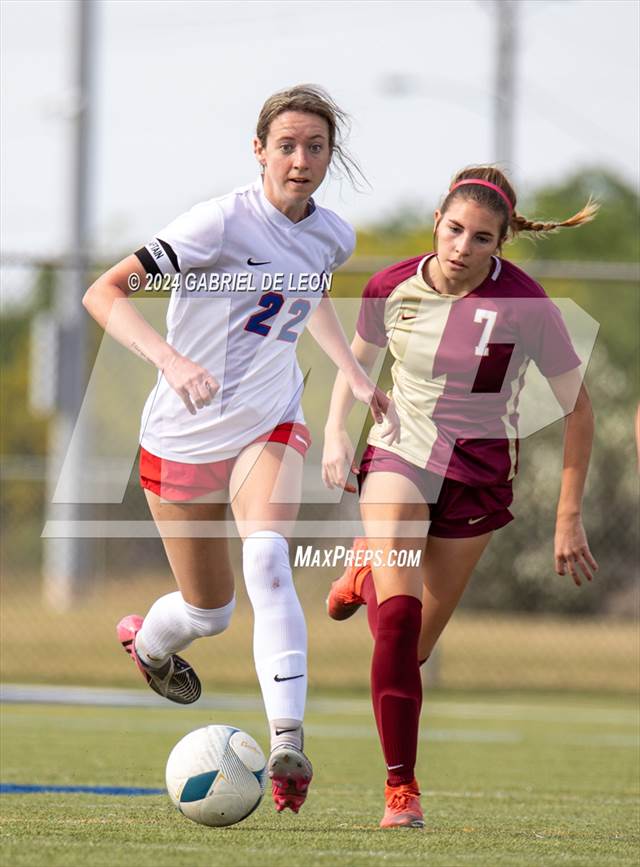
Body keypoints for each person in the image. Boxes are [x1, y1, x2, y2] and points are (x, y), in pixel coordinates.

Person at [82, 84, 397, 814]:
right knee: (210, 610)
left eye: (315, 146)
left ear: (330, 156)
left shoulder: (334, 233)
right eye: (285, 145)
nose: (300, 159)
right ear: (258, 151)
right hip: (183, 435)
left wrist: (351, 372)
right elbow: (105, 292)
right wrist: (171, 360)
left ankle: (288, 738)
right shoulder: (217, 223)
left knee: (267, 557)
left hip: (269, 420)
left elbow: (307, 288)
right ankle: (150, 646)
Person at [321, 165, 599, 829]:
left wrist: (568, 516)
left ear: (500, 244)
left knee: (409, 648)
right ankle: (401, 787)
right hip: (400, 452)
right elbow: (355, 364)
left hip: (479, 472)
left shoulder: (528, 306)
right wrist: (336, 432)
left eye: (481, 238)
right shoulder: (391, 284)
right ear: (437, 225)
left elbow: (579, 410)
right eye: (453, 230)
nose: (462, 247)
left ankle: (366, 570)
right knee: (394, 624)